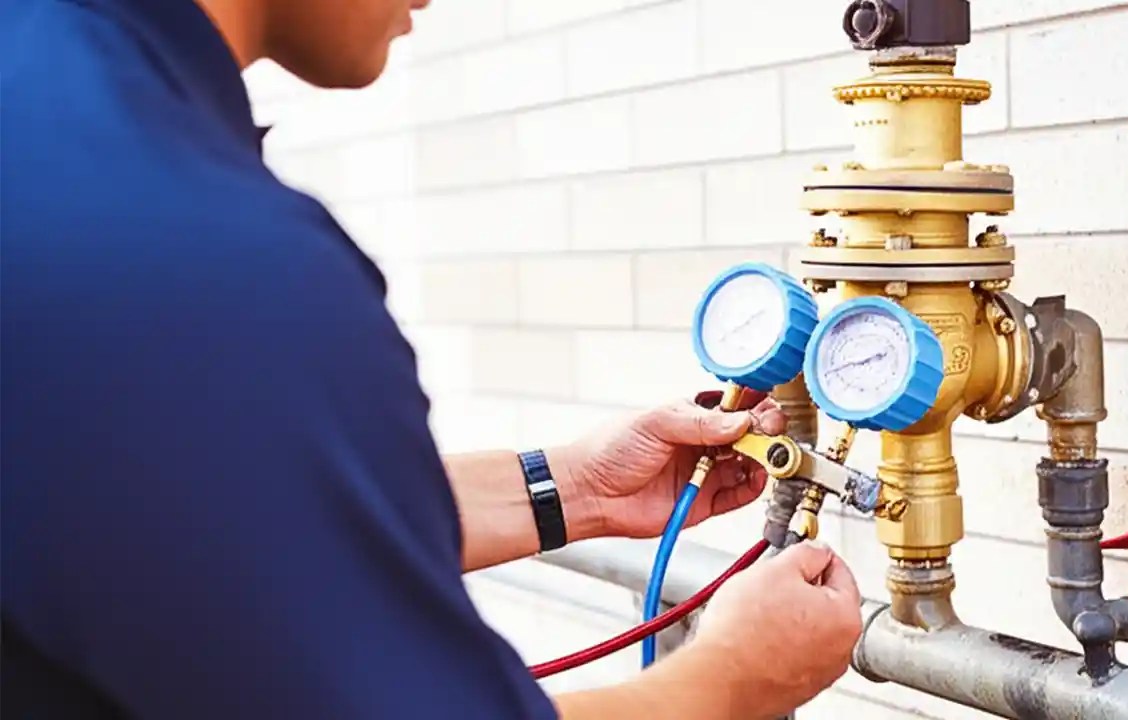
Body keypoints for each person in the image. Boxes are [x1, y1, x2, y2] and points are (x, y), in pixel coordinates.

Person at [0, 0, 864, 718]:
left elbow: (195, 510)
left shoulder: (57, 127)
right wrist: (734, 680)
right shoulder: (205, 264)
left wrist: (574, 488)